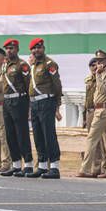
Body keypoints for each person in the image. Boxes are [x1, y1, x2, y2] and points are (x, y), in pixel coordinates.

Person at [27, 37, 62, 178]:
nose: (36, 50)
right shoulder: (33, 66)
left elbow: (57, 86)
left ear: (43, 48)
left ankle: (54, 167)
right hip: (35, 104)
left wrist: (57, 106)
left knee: (49, 135)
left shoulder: (50, 64)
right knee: (38, 135)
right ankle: (42, 166)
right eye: (34, 48)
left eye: (39, 47)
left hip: (47, 102)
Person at [78, 50, 106, 178]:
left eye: (100, 61)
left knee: (91, 139)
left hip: (104, 110)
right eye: (96, 61)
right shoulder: (104, 73)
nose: (97, 64)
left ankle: (85, 169)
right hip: (102, 109)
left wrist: (98, 75)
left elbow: (103, 90)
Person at [0, 38, 34, 177]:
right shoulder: (4, 65)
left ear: (17, 50)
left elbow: (28, 85)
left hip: (19, 100)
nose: (9, 51)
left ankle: (29, 164)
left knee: (22, 133)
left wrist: (28, 103)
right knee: (10, 134)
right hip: (7, 102)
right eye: (7, 49)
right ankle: (16, 164)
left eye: (11, 48)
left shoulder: (22, 65)